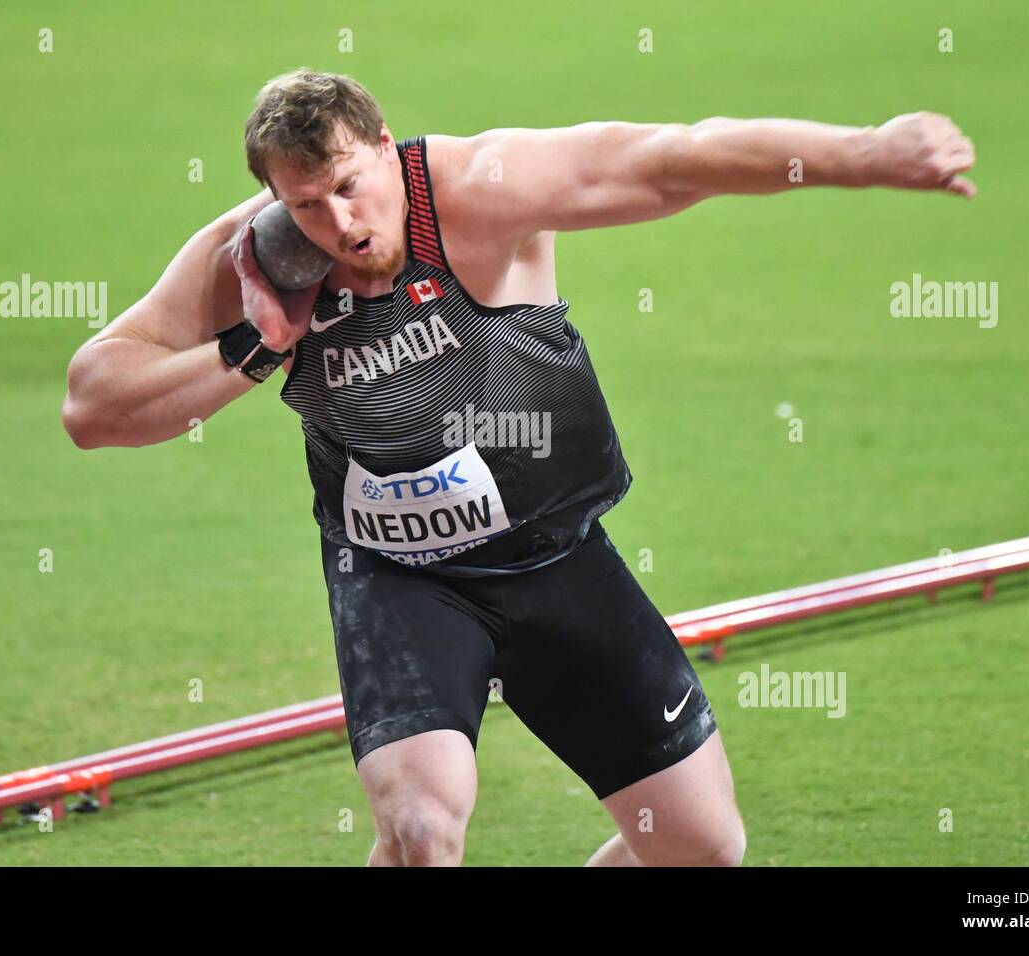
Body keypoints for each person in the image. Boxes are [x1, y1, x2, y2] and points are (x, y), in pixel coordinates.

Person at [62, 68, 975, 866]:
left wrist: (865, 153)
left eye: (348, 186)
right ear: (271, 197)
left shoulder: (477, 189)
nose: (337, 224)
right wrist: (255, 349)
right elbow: (93, 408)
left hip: (558, 559)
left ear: (385, 147)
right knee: (422, 827)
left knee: (701, 848)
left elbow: (669, 161)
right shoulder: (251, 260)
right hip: (402, 582)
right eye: (304, 204)